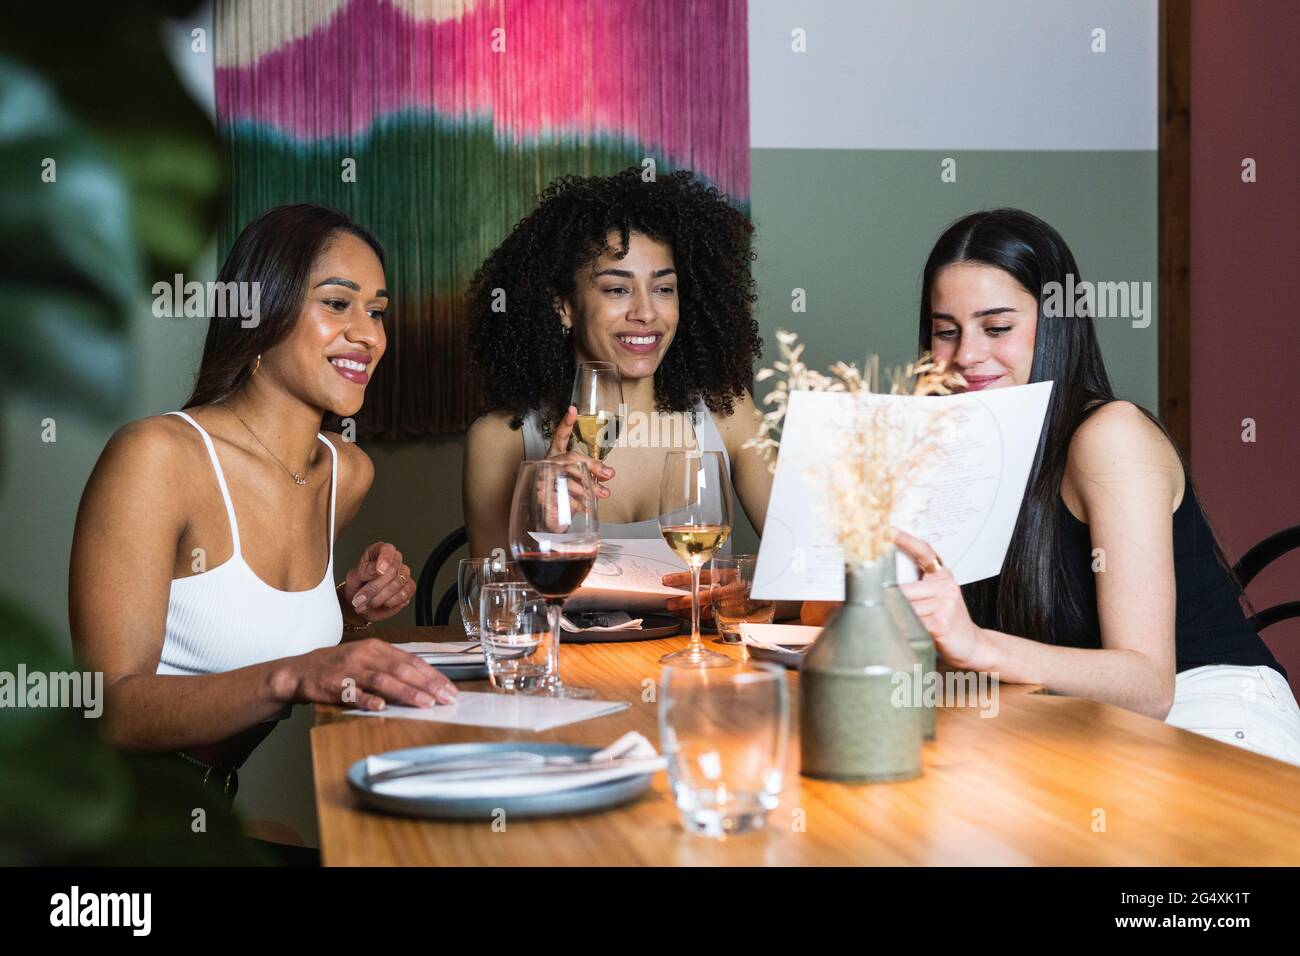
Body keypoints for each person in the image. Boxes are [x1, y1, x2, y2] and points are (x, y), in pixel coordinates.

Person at [809, 208, 1300, 766]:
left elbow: (1148, 686)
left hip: (1211, 719)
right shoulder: (947, 447)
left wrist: (977, 647)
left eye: (997, 328)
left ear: (1059, 324)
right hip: (1076, 725)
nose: (966, 355)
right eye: (947, 332)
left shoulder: (1110, 436)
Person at [70, 204, 457, 807]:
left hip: (213, 811)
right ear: (261, 310)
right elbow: (110, 709)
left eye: (377, 312)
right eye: (337, 303)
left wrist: (348, 613)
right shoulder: (156, 457)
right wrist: (294, 677)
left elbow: (245, 630)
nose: (369, 335)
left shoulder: (345, 473)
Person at [463, 168, 786, 617]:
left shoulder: (729, 415)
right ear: (565, 306)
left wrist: (750, 597)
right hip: (569, 681)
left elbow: (812, 579)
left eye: (664, 288)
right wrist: (540, 528)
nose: (646, 312)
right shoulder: (500, 439)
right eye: (617, 288)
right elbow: (494, 614)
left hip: (696, 678)